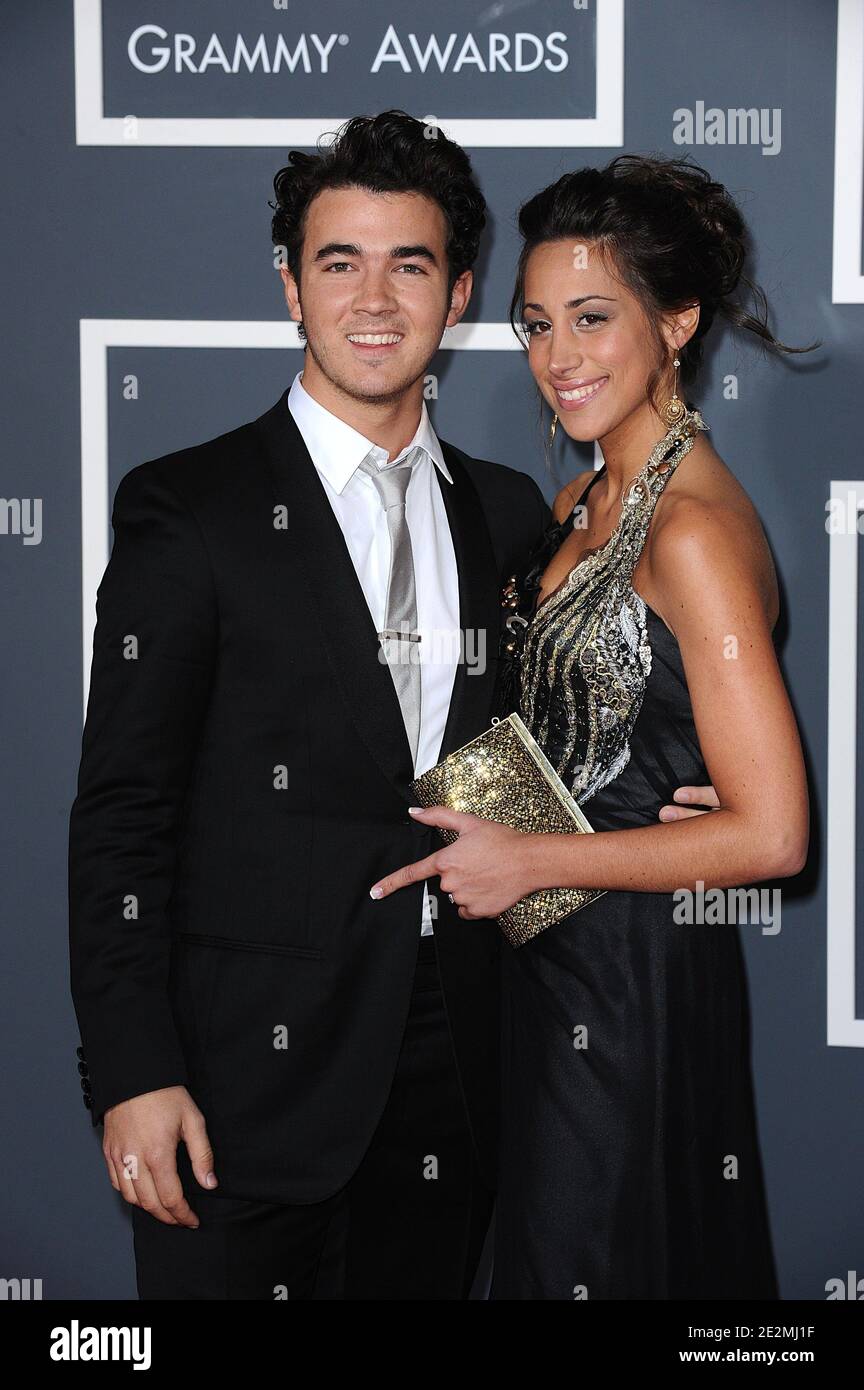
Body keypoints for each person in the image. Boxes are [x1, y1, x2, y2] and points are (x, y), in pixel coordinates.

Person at [69, 115, 716, 1301]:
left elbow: (548, 738)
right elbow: (121, 810)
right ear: (290, 286)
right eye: (338, 262)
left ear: (459, 291)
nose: (374, 297)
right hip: (234, 1094)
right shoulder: (189, 508)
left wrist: (667, 781)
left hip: (462, 1075)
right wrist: (130, 1073)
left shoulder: (514, 511)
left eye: (409, 263)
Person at [371, 154, 814, 1299]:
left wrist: (533, 858)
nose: (557, 358)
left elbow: (772, 836)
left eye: (592, 319)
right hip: (540, 965)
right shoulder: (577, 500)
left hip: (626, 982)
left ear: (676, 321)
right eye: (534, 325)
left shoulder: (696, 535)